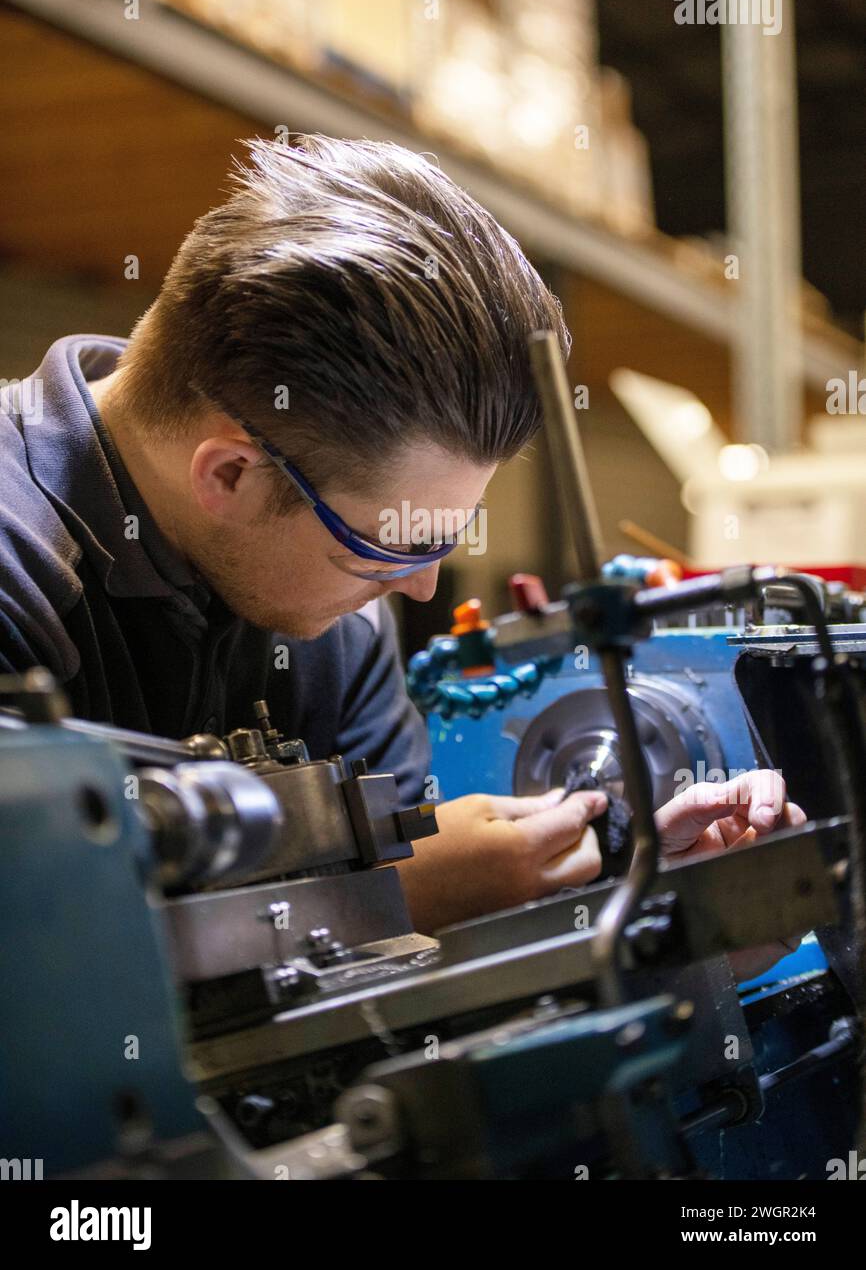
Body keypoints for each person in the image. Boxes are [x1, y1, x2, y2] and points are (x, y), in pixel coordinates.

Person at [0, 134, 803, 937]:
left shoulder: (338, 616)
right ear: (231, 476)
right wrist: (384, 903)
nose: (421, 587)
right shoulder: (22, 575)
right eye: (395, 545)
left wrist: (642, 909)